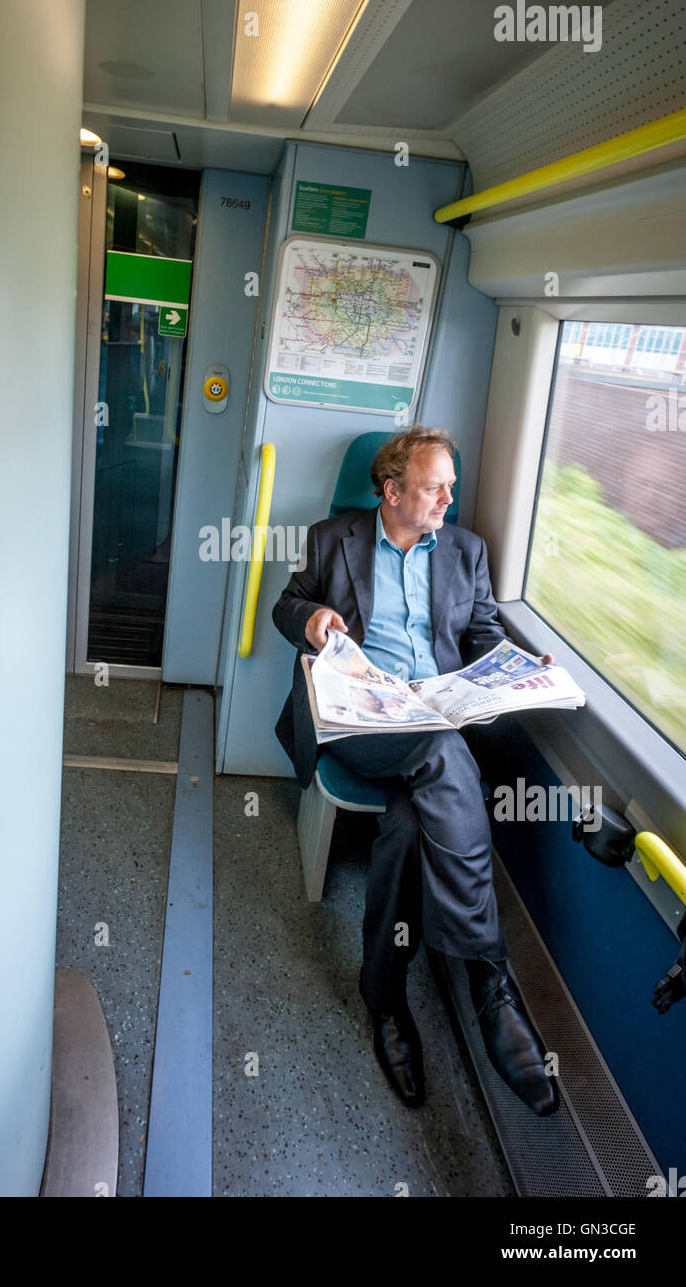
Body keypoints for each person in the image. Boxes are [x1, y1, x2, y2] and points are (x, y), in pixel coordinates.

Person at [272, 424, 559, 1117]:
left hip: (434, 710)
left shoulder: (465, 552)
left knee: (404, 822)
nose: (448, 500)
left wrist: (514, 669)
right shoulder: (330, 538)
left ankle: (385, 1000)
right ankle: (489, 978)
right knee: (439, 752)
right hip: (359, 717)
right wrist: (311, 622)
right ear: (390, 490)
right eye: (434, 488)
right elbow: (288, 604)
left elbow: (483, 632)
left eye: (449, 486)